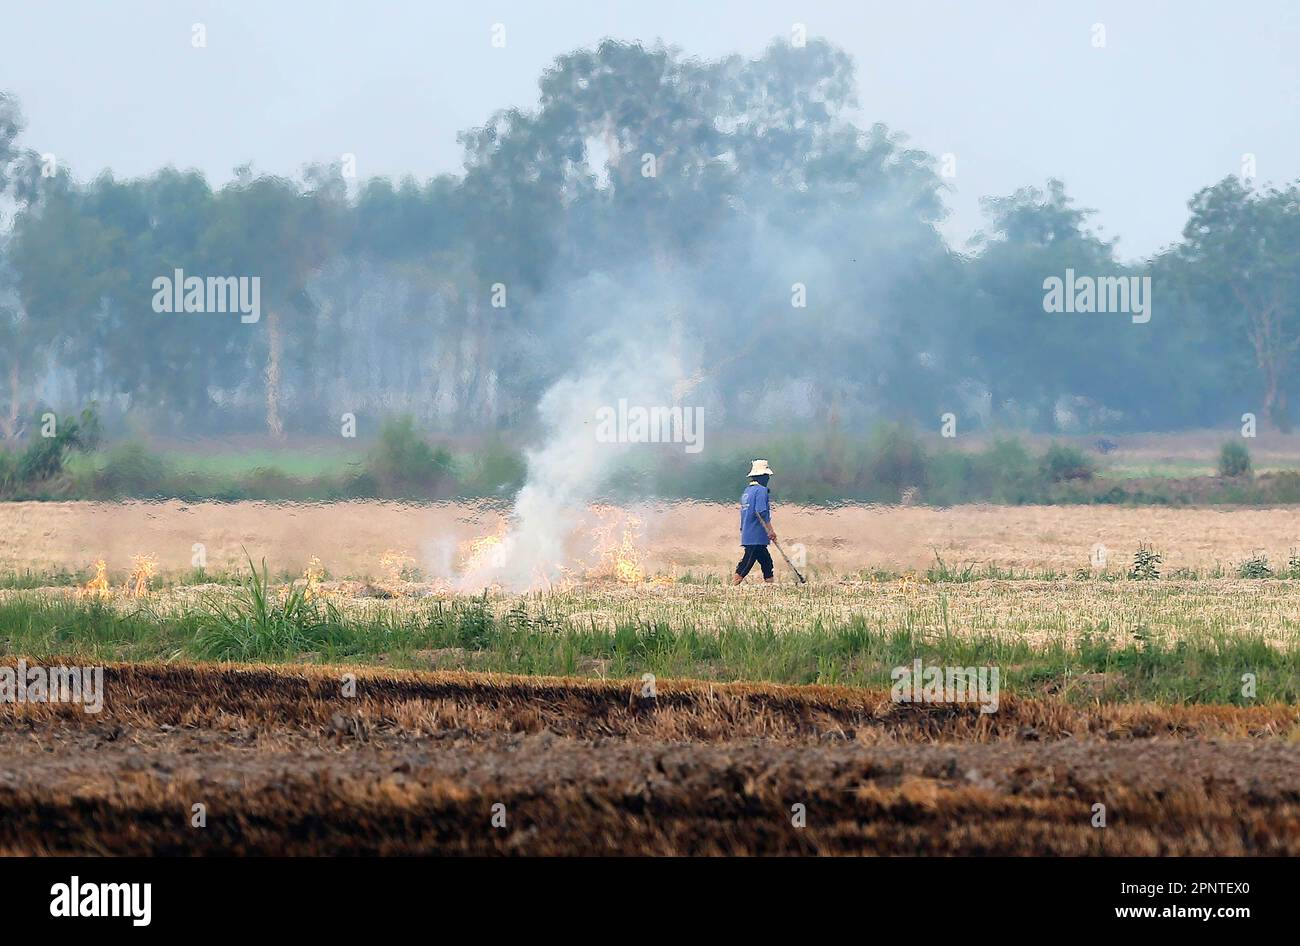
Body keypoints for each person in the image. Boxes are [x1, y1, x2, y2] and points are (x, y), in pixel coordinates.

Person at [733, 459, 776, 584]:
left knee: (767, 562)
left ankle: (770, 586)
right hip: (756, 535)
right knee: (747, 563)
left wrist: (742, 529)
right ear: (762, 476)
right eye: (766, 475)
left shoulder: (747, 492)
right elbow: (761, 511)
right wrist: (771, 531)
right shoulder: (761, 491)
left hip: (748, 532)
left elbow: (743, 513)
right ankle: (733, 585)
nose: (768, 478)